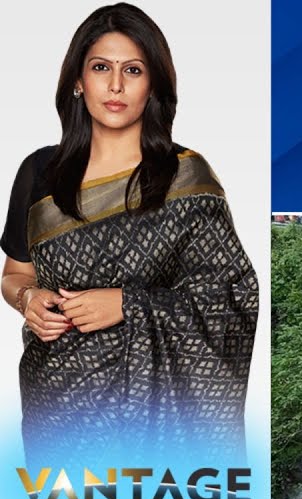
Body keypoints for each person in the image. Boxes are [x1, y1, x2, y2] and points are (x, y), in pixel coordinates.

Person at [0, 4, 259, 467]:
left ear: (153, 84)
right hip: (56, 409)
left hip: (156, 423)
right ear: (78, 81)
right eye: (101, 68)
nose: (115, 85)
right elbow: (15, 273)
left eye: (133, 70)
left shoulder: (186, 178)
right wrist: (28, 301)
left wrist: (127, 305)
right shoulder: (39, 171)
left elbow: (234, 295)